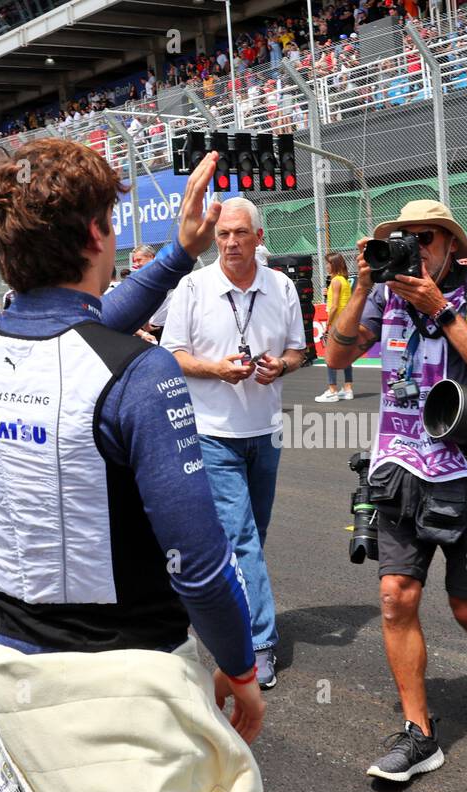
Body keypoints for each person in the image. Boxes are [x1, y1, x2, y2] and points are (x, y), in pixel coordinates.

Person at [0, 138, 264, 792]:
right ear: (98, 233)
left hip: (13, 684)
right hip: (124, 701)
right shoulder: (139, 373)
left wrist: (177, 252)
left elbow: (70, 329)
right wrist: (243, 669)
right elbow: (198, 563)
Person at [325, 199, 467, 781]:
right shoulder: (384, 293)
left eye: (424, 240)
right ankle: (420, 733)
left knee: (466, 603)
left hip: (466, 470)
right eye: (402, 239)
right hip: (398, 466)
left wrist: (441, 311)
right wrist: (360, 287)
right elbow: (334, 354)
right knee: (396, 598)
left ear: (449, 245)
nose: (412, 250)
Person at [162, 196, 308, 690]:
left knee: (251, 538)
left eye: (240, 233)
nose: (229, 242)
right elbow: (173, 356)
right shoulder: (193, 287)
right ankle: (257, 646)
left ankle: (216, 605)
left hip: (265, 431)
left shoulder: (282, 286)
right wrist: (216, 369)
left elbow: (298, 350)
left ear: (258, 237)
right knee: (242, 537)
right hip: (211, 432)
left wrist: (280, 367)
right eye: (222, 234)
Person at [316, 252, 354, 402]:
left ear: (335, 265)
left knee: (330, 357)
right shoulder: (343, 281)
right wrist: (327, 293)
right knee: (346, 357)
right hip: (346, 324)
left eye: (328, 263)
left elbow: (334, 306)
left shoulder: (336, 282)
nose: (326, 266)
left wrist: (327, 325)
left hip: (337, 324)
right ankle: (348, 389)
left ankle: (332, 390)